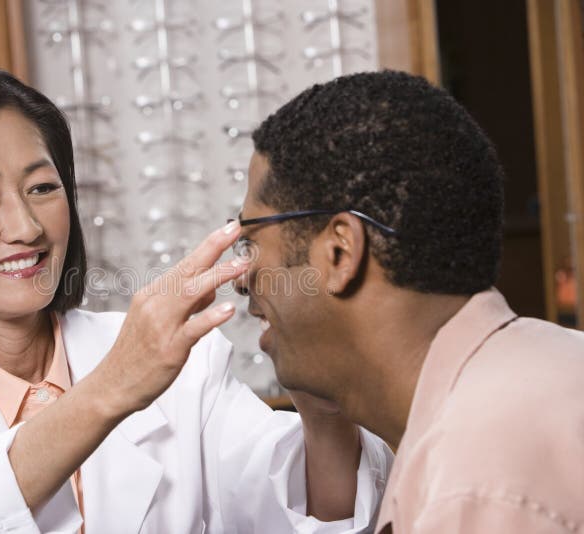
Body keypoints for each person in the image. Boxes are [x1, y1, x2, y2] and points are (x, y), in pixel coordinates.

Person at [0, 67, 392, 534]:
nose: (27, 227)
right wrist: (113, 387)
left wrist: (322, 408)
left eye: (43, 187)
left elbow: (298, 511)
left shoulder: (184, 365)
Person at [232, 69, 584, 533]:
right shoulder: (553, 359)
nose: (241, 279)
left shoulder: (468, 488)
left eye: (252, 240)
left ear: (339, 252)